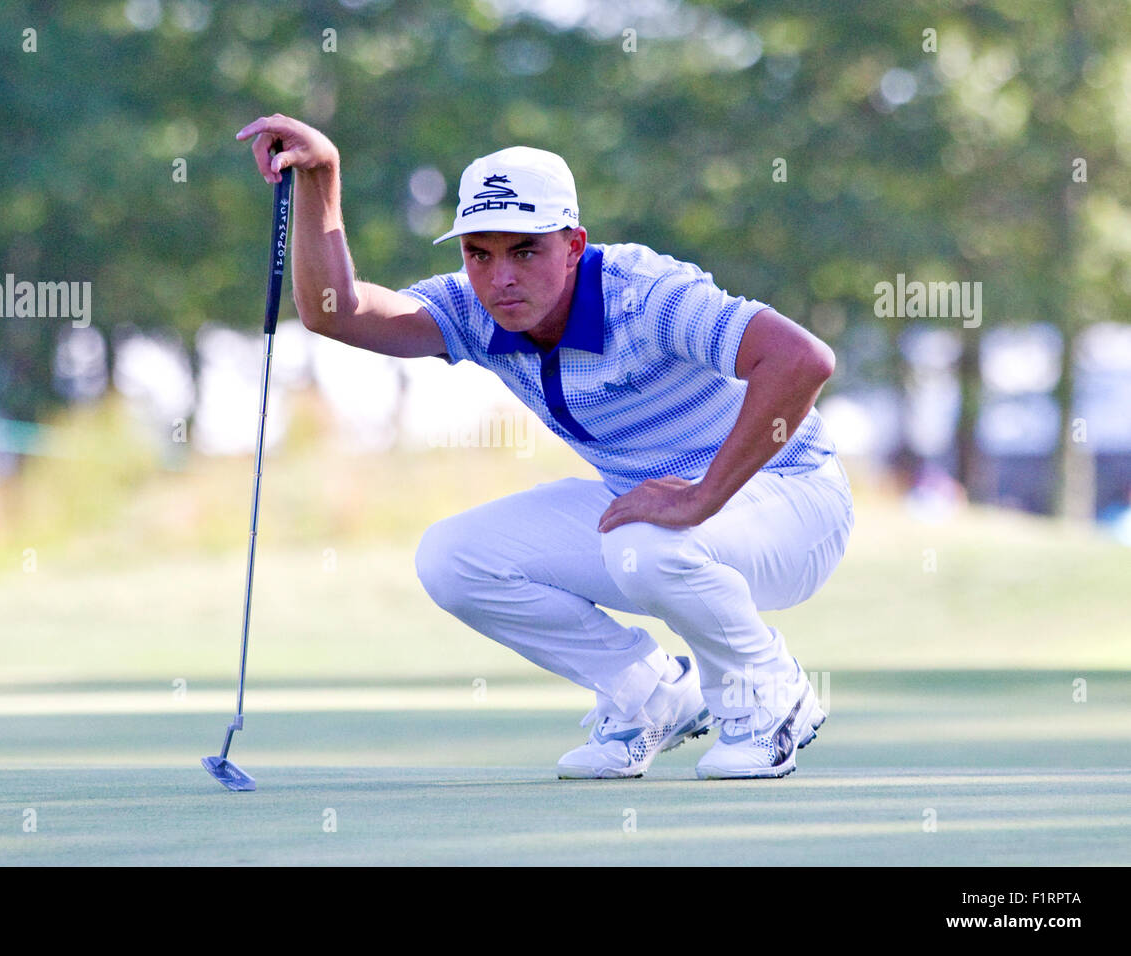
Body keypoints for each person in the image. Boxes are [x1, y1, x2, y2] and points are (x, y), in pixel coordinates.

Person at [236, 114, 855, 780]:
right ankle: (649, 695)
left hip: (796, 503)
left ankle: (767, 698)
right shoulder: (475, 310)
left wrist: (705, 496)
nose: (500, 277)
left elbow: (801, 360)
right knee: (455, 558)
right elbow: (337, 311)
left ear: (574, 245)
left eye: (524, 250)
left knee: (645, 541)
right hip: (654, 518)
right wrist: (322, 177)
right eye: (479, 252)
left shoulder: (646, 297)